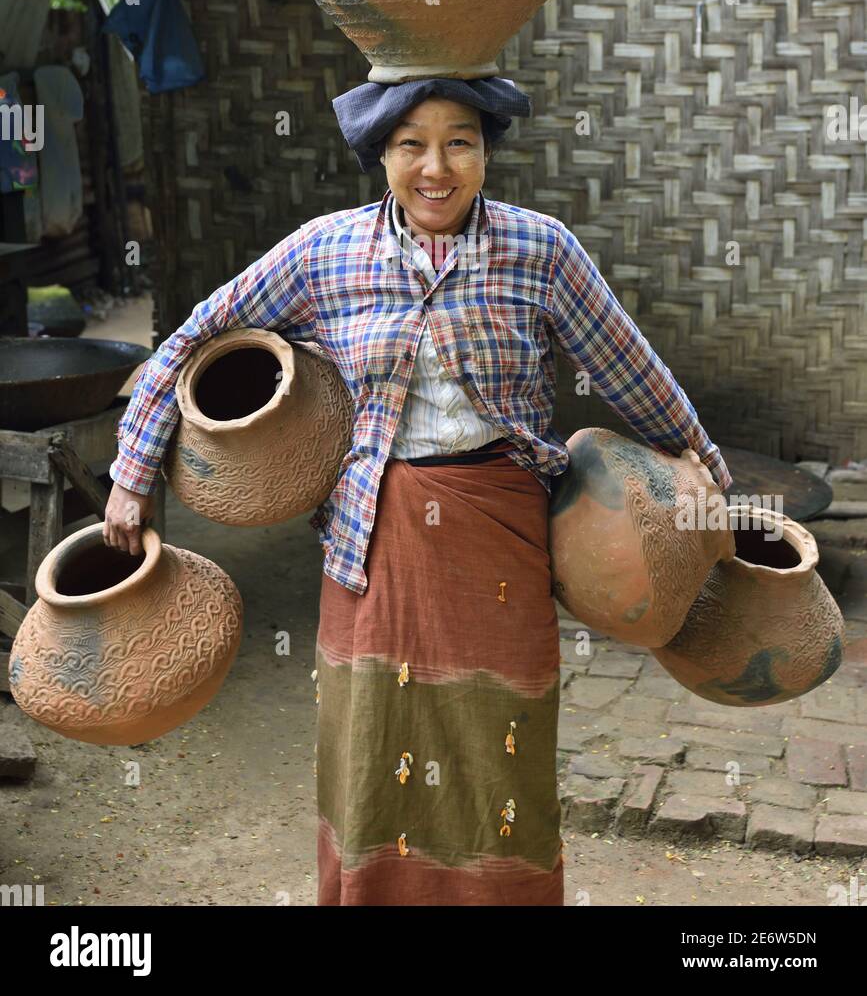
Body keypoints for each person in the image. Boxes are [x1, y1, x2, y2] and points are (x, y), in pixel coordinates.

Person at [104, 75, 732, 907]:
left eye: (459, 141)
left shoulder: (539, 249)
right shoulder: (324, 252)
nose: (435, 167)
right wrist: (132, 473)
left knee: (497, 746)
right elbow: (192, 338)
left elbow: (631, 372)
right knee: (373, 747)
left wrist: (710, 483)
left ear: (485, 151)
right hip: (370, 536)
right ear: (380, 157)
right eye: (410, 145)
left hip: (498, 536)